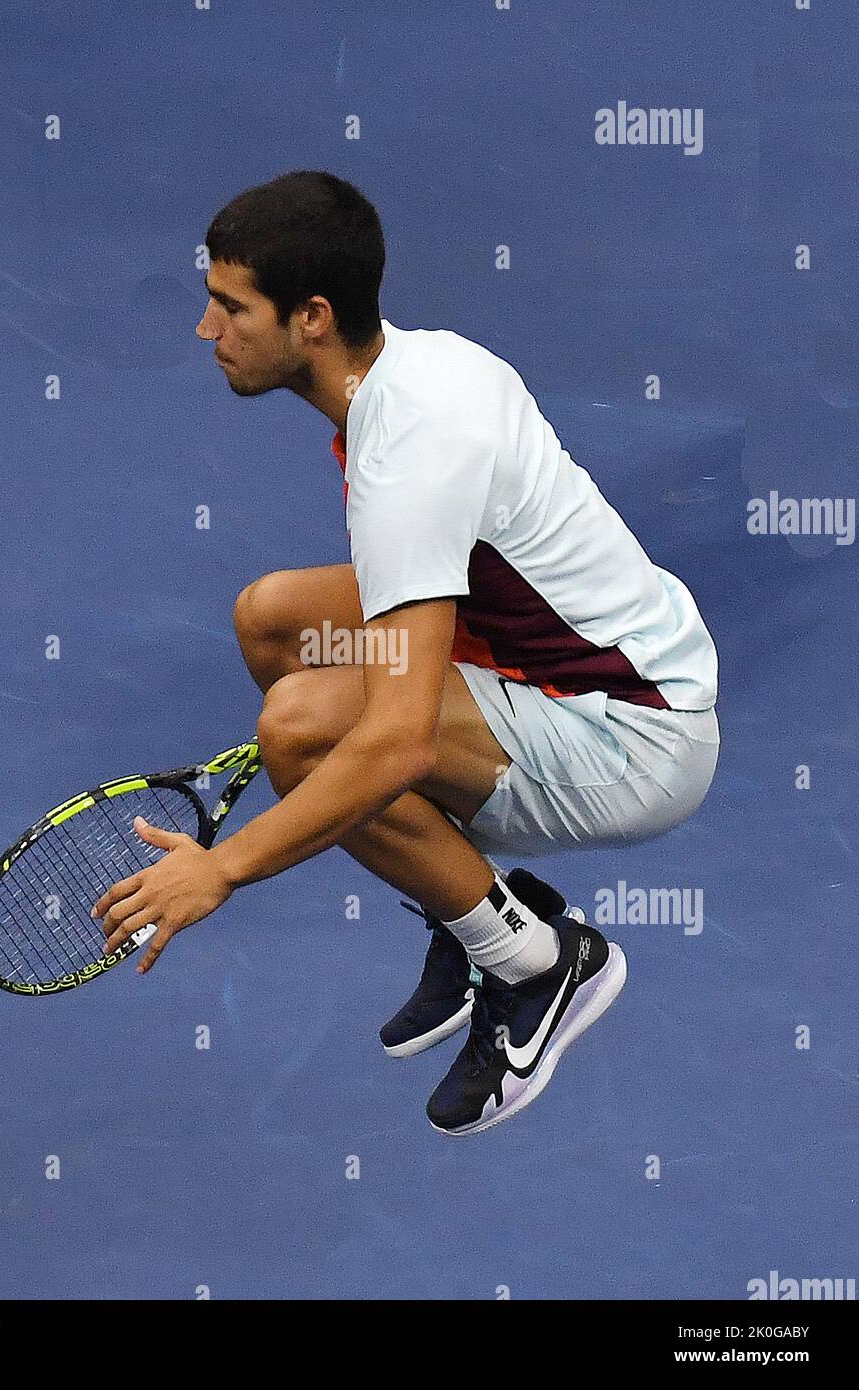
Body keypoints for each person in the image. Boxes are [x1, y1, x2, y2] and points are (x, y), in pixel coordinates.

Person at [92, 170, 720, 1135]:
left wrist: (219, 870)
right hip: (549, 656)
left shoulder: (412, 459)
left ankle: (540, 962)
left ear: (311, 319)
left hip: (632, 736)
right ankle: (461, 902)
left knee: (302, 733)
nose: (206, 331)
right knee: (272, 619)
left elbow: (395, 749)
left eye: (230, 307)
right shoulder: (411, 369)